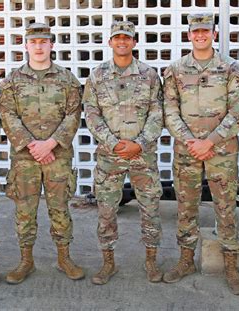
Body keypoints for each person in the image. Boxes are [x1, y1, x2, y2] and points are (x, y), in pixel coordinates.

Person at [163, 13, 239, 295]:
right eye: (195, 32)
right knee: (186, 207)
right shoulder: (176, 70)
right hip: (187, 150)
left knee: (225, 208)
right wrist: (190, 140)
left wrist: (209, 141)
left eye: (205, 31)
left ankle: (231, 266)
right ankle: (186, 260)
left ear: (214, 34)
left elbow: (238, 112)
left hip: (221, 151)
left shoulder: (230, 68)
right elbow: (170, 111)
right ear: (189, 35)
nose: (200, 36)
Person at [0, 23, 84, 284]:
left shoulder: (67, 79)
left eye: (43, 41)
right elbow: (7, 115)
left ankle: (64, 258)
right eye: (33, 42)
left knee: (59, 208)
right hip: (25, 158)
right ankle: (26, 261)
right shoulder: (12, 81)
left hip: (57, 156)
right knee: (25, 210)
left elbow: (73, 115)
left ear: (51, 46)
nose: (38, 46)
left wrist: (51, 144)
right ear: (26, 46)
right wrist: (32, 144)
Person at [83, 21, 164, 285]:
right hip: (110, 156)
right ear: (110, 42)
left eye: (127, 38)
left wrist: (139, 143)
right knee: (106, 210)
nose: (122, 42)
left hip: (142, 154)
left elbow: (157, 112)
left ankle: (151, 261)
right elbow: (92, 114)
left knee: (150, 208)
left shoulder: (149, 75)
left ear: (134, 42)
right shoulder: (97, 76)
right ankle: (108, 263)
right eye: (117, 37)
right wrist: (112, 143)